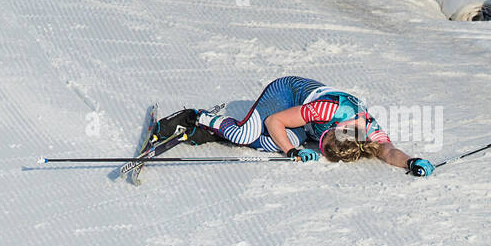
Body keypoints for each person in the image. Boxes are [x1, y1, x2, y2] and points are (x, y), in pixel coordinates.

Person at [155, 76, 435, 176]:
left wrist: (412, 162)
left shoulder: (367, 128)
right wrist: (291, 151)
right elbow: (274, 120)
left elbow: (387, 151)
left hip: (306, 120)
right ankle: (197, 118)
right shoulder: (330, 109)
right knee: (247, 133)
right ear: (333, 130)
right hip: (286, 93)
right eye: (324, 144)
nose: (320, 148)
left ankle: (209, 134)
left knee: (269, 144)